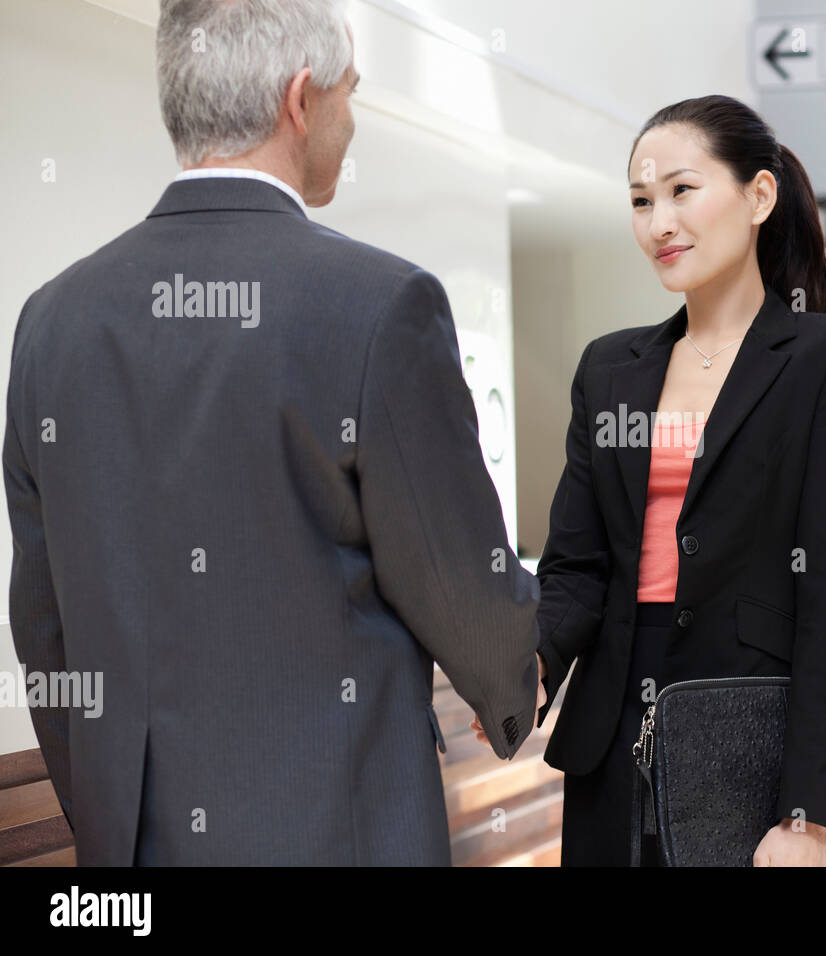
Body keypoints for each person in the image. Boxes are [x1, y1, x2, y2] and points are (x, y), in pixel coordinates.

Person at [4, 0, 542, 866]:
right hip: (340, 833)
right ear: (301, 101)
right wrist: (511, 680)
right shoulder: (379, 304)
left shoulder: (51, 320)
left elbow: (43, 620)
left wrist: (108, 809)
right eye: (349, 94)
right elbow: (461, 580)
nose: (351, 118)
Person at [506, 94, 826, 866]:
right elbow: (578, 566)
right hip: (612, 730)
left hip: (752, 729)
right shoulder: (610, 367)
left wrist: (808, 815)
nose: (659, 223)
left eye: (682, 190)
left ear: (759, 195)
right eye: (641, 201)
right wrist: (531, 665)